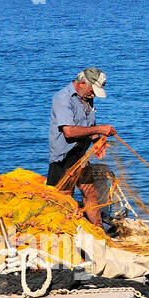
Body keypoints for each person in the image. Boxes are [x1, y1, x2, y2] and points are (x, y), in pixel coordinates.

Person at [47, 68, 117, 228]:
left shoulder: (87, 97)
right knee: (64, 197)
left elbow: (88, 126)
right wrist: (99, 129)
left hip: (80, 156)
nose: (93, 95)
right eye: (93, 91)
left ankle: (99, 232)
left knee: (90, 192)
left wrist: (97, 141)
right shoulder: (63, 98)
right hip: (63, 157)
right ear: (83, 83)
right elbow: (69, 132)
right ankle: (63, 232)